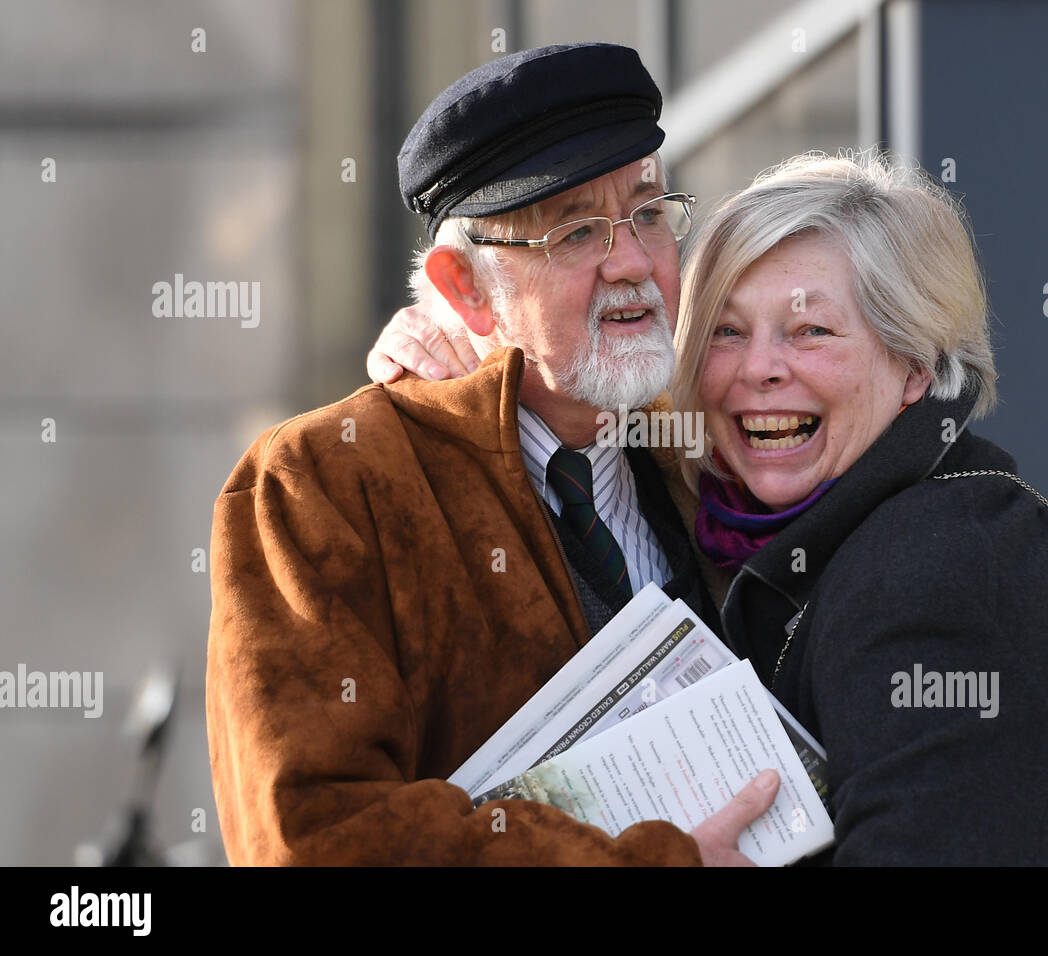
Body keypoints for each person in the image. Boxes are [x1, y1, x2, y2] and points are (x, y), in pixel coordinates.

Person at [377, 150, 1048, 865]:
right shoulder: (774, 533)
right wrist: (473, 347)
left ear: (915, 370)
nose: (760, 368)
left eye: (811, 330)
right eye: (726, 331)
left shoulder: (933, 570)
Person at [206, 42, 779, 867]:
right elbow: (313, 837)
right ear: (468, 288)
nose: (633, 264)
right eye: (577, 232)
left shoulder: (712, 450)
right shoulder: (316, 484)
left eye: (649, 214)